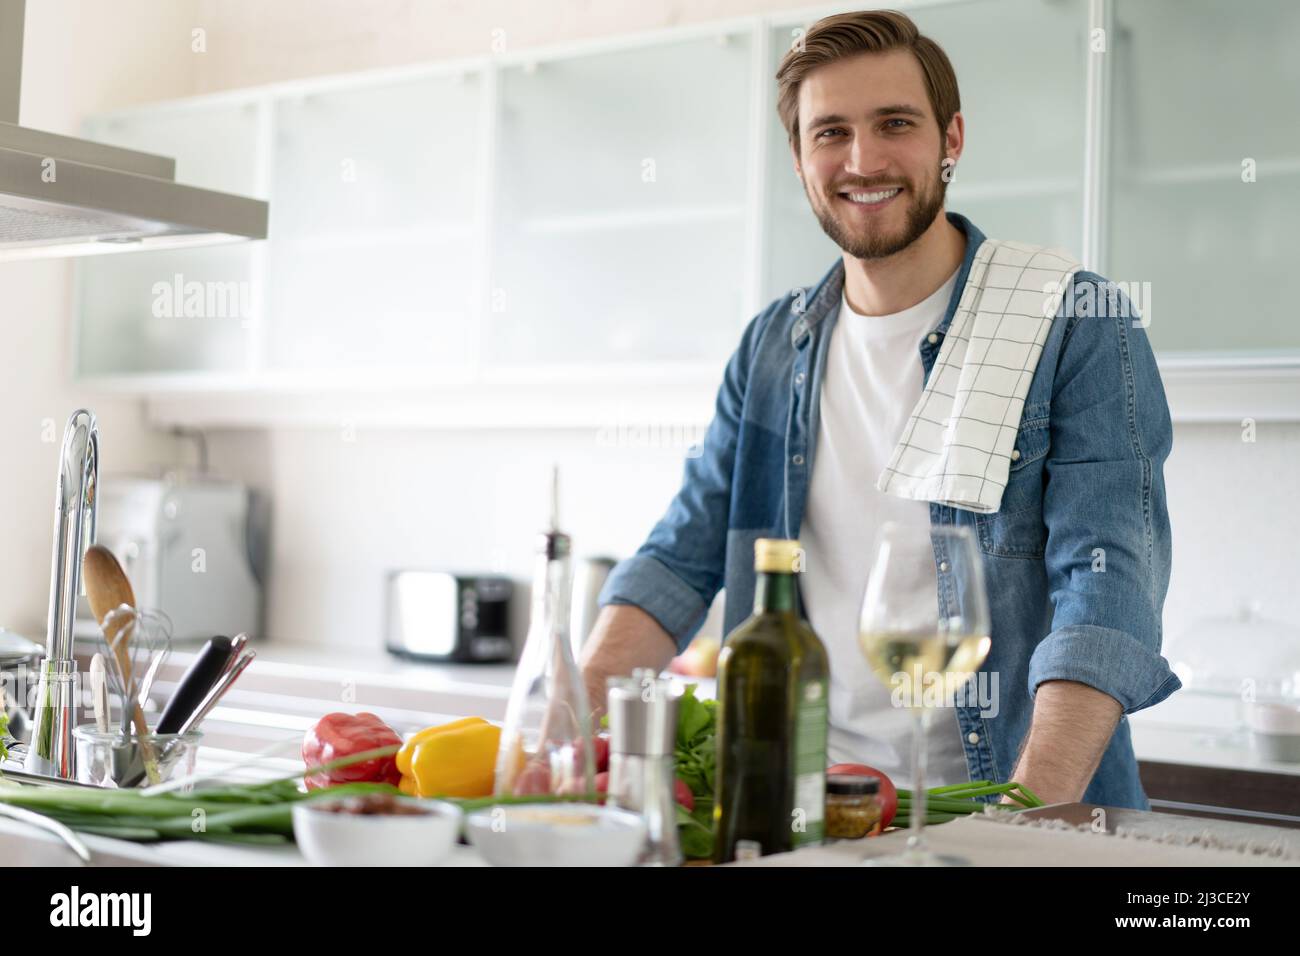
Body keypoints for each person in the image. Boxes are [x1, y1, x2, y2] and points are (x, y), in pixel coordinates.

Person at [579, 9, 1179, 809]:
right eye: (830, 132)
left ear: (950, 139)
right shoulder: (772, 346)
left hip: (1005, 802)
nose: (863, 160)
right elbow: (678, 558)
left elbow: (1107, 587)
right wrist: (562, 723)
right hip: (809, 807)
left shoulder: (1070, 322)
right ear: (798, 159)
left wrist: (1025, 822)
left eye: (895, 123)